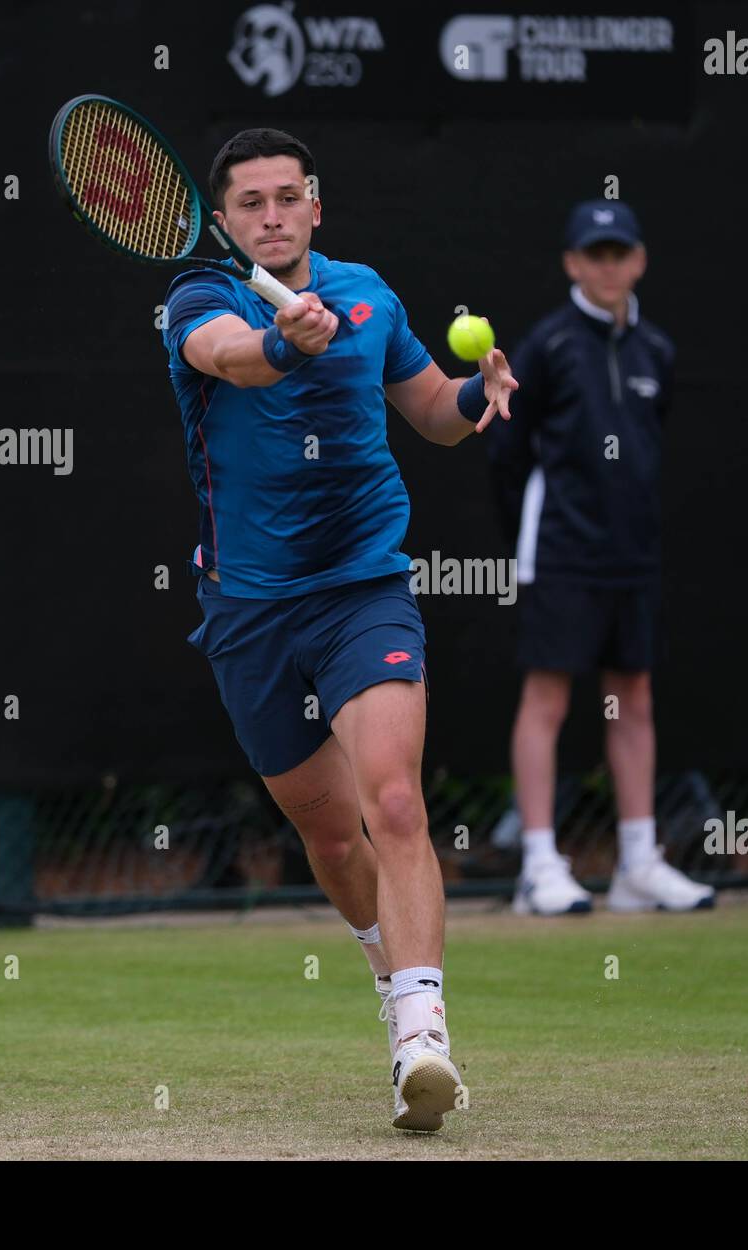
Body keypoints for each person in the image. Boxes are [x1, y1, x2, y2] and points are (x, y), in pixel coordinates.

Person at [160, 128, 517, 1130]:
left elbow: (429, 412)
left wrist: (474, 394)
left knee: (395, 798)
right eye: (251, 202)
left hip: (364, 585)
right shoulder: (199, 299)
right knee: (327, 828)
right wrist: (286, 341)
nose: (272, 215)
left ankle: (421, 1037)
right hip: (251, 609)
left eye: (288, 197)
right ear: (224, 221)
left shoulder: (370, 294)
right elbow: (231, 360)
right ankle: (387, 976)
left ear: (315, 206)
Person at [487, 200, 716, 916]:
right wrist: (534, 538)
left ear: (639, 261)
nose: (610, 265)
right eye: (597, 253)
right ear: (572, 264)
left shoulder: (659, 350)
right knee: (547, 700)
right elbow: (506, 452)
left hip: (634, 556)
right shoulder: (547, 347)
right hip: (560, 550)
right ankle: (539, 865)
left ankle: (638, 863)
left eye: (621, 253)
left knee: (636, 698)